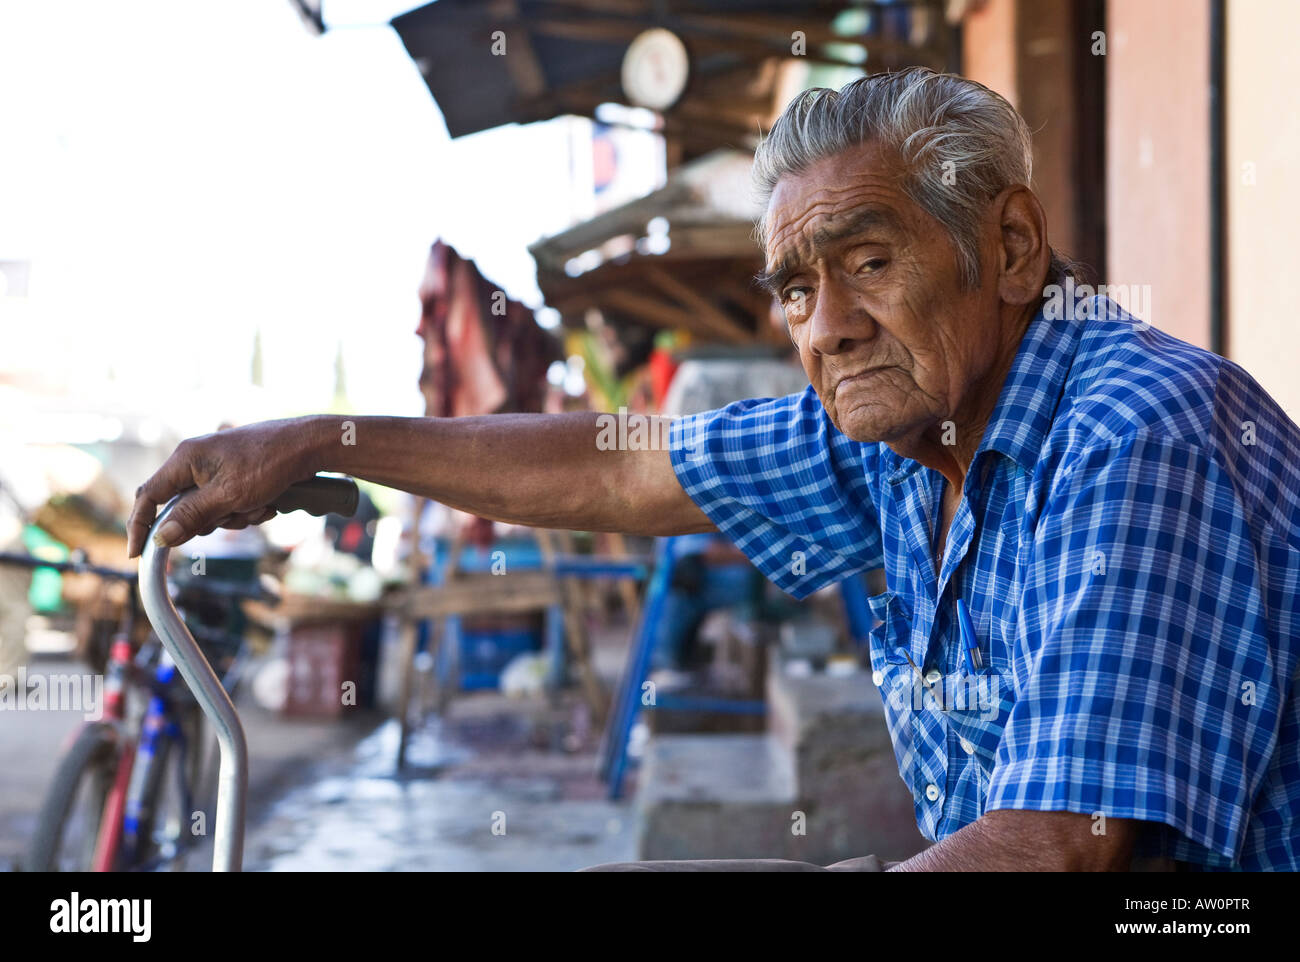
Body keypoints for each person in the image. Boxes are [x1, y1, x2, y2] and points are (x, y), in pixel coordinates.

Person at [127, 68, 1300, 872]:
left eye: (870, 260)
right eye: (795, 288)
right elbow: (624, 470)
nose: (826, 324)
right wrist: (325, 439)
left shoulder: (1132, 437)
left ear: (1005, 248)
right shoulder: (904, 430)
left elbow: (1061, 845)